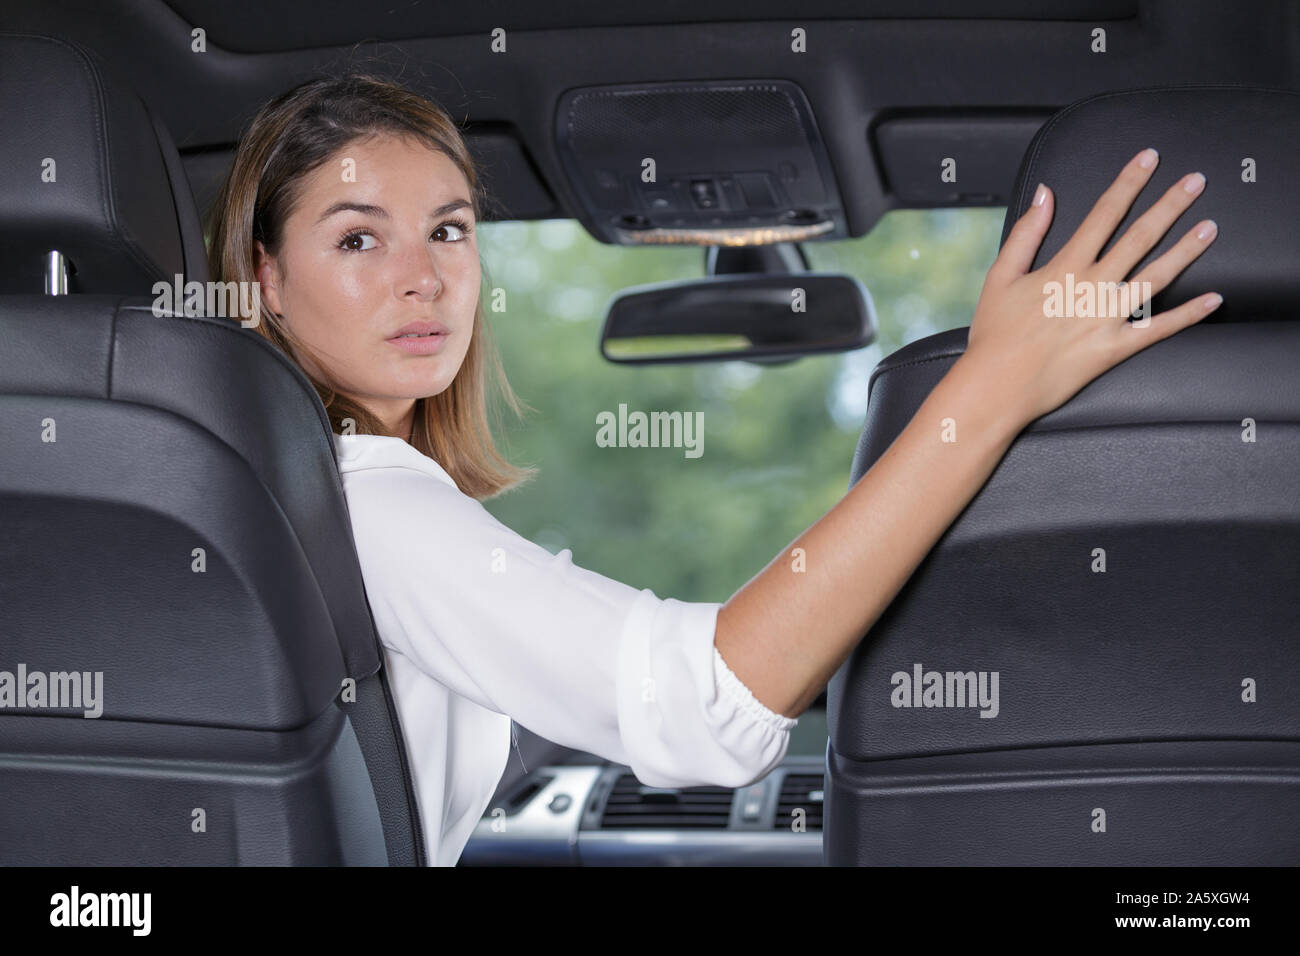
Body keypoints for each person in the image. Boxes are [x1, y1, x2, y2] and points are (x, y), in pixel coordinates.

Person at [206, 74, 1221, 865]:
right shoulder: (370, 500)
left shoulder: (274, 496)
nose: (422, 275)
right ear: (267, 279)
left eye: (449, 228)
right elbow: (704, 705)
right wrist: (990, 382)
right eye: (356, 238)